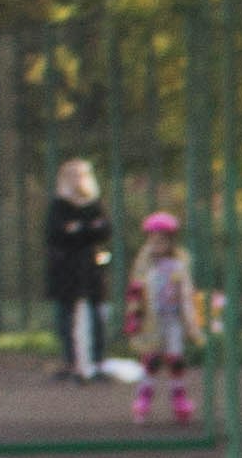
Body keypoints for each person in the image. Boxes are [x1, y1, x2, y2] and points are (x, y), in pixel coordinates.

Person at [126, 208, 203, 427]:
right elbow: (136, 291)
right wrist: (135, 315)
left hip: (173, 319)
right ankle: (143, 400)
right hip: (153, 320)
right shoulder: (145, 264)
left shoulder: (179, 264)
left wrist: (191, 322)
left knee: (175, 359)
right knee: (151, 360)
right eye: (154, 240)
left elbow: (186, 292)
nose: (157, 244)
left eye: (163, 240)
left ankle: (179, 399)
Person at [44, 157, 111, 382]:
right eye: (73, 175)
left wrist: (78, 230)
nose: (77, 180)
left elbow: (103, 230)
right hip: (66, 269)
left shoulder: (93, 204)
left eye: (81, 175)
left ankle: (97, 361)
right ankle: (71, 361)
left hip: (90, 268)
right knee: (67, 316)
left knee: (95, 314)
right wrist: (84, 230)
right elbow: (57, 233)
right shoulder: (59, 205)